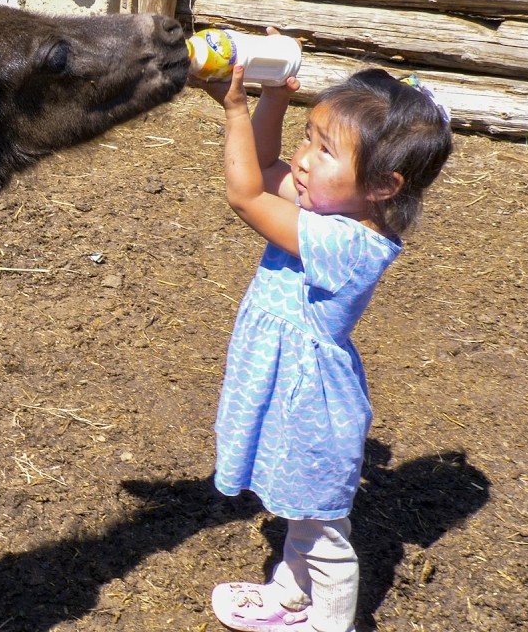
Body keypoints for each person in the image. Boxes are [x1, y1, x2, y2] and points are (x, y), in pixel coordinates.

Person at [193, 40, 454, 632]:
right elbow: (263, 172)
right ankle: (290, 597)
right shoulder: (332, 209)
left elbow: (245, 193)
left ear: (384, 186)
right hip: (291, 392)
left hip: (310, 405)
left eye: (324, 149)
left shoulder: (350, 245)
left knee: (323, 537)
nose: (304, 160)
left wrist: (234, 112)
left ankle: (331, 624)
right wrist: (270, 102)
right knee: (300, 516)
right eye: (307, 138)